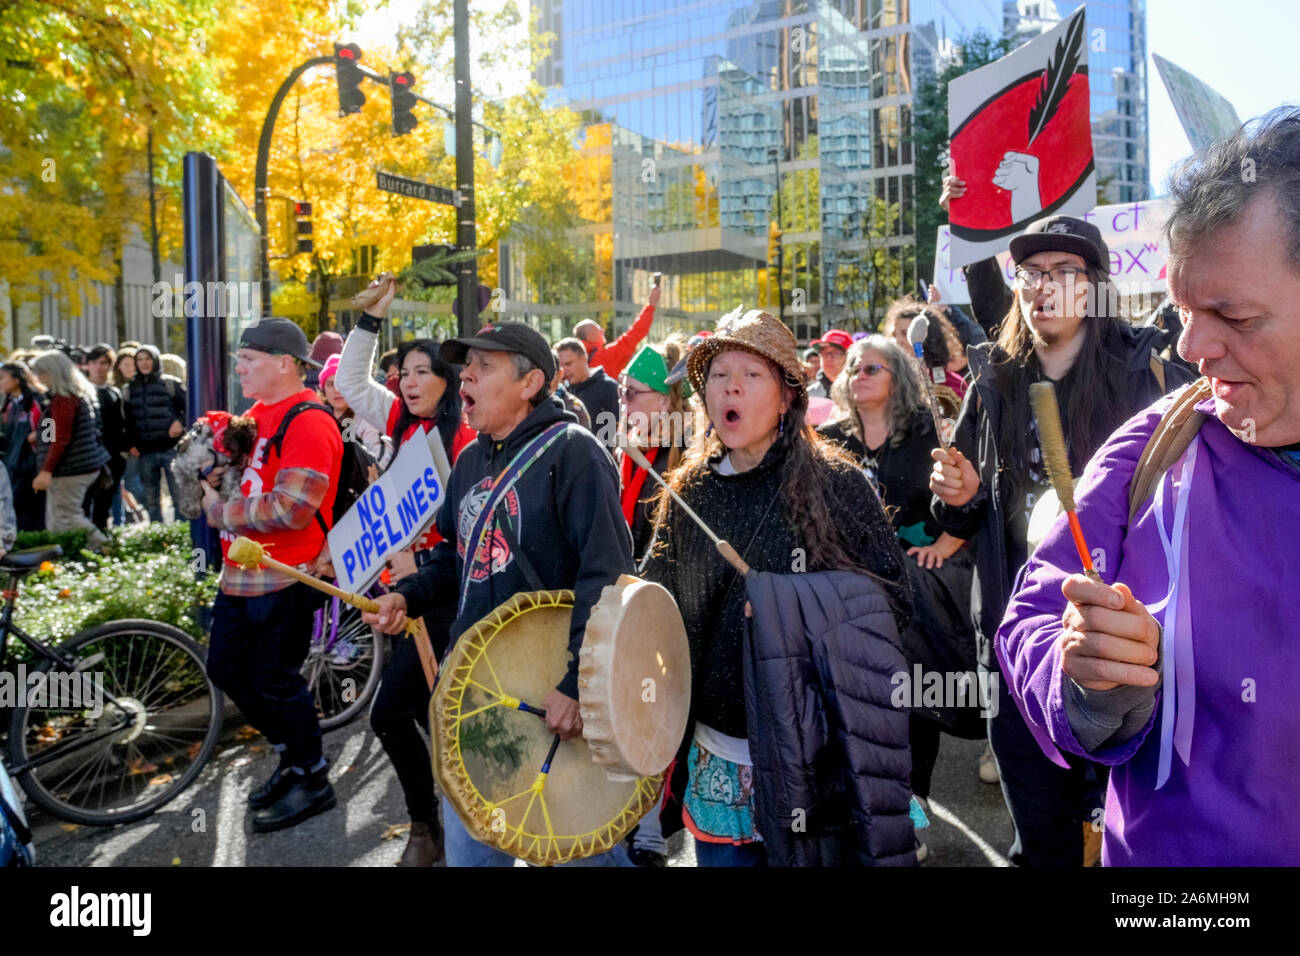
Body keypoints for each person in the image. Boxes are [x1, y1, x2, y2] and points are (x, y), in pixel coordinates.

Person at [998, 106, 1300, 865]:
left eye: (1233, 315)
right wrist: (1087, 683)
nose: (1193, 345)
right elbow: (1032, 617)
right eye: (1184, 309)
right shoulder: (1159, 446)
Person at [928, 214, 1195, 867]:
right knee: (1042, 840)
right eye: (1033, 273)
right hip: (1020, 645)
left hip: (1120, 650)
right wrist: (954, 495)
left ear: (1096, 286)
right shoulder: (995, 379)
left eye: (1065, 273)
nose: (1045, 286)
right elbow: (961, 511)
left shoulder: (1143, 372)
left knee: (1122, 836)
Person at [640, 308, 913, 866]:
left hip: (816, 750)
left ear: (788, 396)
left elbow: (894, 603)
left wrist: (784, 607)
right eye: (718, 375)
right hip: (721, 752)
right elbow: (656, 602)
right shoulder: (689, 490)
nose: (731, 386)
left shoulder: (837, 484)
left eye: (752, 374)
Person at [364, 321, 636, 867]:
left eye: (483, 367)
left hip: (553, 704)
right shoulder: (470, 460)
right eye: (465, 366)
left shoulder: (574, 453)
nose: (464, 375)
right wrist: (410, 596)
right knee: (476, 855)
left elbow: (607, 579)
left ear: (531, 381)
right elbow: (453, 558)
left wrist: (576, 685)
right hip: (479, 695)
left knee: (575, 853)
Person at [334, 279, 477, 866]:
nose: (410, 382)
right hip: (405, 595)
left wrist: (422, 561)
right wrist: (370, 321)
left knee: (391, 712)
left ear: (448, 384)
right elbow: (348, 384)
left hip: (445, 597)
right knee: (428, 714)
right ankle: (455, 814)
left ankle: (429, 827)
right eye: (406, 373)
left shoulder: (466, 440)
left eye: (424, 372)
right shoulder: (399, 421)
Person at [818, 336, 977, 860]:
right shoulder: (828, 438)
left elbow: (968, 495)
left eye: (872, 368)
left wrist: (946, 541)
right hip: (846, 592)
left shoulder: (927, 435)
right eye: (855, 369)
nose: (858, 375)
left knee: (913, 703)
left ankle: (912, 813)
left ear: (898, 380)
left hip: (912, 591)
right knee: (855, 704)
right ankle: (858, 812)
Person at [202, 317, 342, 833]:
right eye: (240, 358)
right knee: (226, 669)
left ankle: (313, 776)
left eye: (249, 359)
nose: (238, 367)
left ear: (286, 364)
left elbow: (292, 508)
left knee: (275, 681)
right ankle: (292, 756)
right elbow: (250, 480)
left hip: (285, 574)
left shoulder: (309, 420)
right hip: (243, 573)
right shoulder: (257, 414)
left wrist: (218, 510)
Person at [29, 351, 112, 552]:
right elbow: (53, 434)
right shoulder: (67, 397)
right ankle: (74, 556)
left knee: (66, 517)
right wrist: (39, 435)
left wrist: (46, 470)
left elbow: (60, 439)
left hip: (70, 469)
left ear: (52, 373)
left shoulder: (64, 400)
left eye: (41, 373)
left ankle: (105, 547)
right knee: (58, 519)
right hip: (79, 465)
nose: (39, 378)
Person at [126, 345, 186, 523]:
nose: (144, 363)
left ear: (156, 361)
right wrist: (131, 444)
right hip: (145, 452)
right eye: (140, 359)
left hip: (171, 449)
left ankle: (181, 535)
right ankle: (157, 534)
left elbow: (190, 408)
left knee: (179, 497)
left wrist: (180, 423)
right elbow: (127, 421)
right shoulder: (129, 389)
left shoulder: (171, 384)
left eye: (148, 359)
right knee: (151, 500)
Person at [885, 298, 968, 413]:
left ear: (927, 338)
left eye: (905, 333)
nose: (897, 341)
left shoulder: (952, 385)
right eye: (893, 334)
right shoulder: (884, 382)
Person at [83, 345, 129, 531]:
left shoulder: (114, 393)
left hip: (113, 457)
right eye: (94, 362)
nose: (98, 367)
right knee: (85, 504)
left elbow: (121, 424)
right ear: (87, 365)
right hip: (89, 456)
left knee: (105, 504)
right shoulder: (81, 392)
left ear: (110, 366)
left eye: (103, 363)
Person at [574, 282, 661, 378]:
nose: (603, 331)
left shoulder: (573, 360)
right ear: (589, 337)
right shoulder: (604, 357)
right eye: (598, 329)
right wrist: (651, 306)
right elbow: (635, 334)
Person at [317, 355, 389, 467]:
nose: (336, 390)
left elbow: (382, 458)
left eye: (341, 384)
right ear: (324, 390)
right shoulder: (322, 418)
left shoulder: (366, 418)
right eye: (330, 384)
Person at [0, 361, 47, 531]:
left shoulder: (38, 400)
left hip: (33, 465)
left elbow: (51, 429)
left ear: (17, 379)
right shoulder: (11, 404)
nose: (0, 382)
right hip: (14, 465)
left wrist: (38, 435)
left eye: (2, 378)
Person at [556, 337, 620, 449]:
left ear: (584, 358)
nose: (564, 370)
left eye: (568, 364)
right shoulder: (564, 392)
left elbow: (621, 430)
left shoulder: (608, 387)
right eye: (560, 366)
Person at [806, 329, 851, 398]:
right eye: (824, 353)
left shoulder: (861, 392)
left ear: (849, 357)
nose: (828, 358)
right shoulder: (809, 396)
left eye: (835, 353)